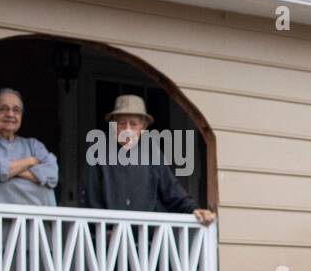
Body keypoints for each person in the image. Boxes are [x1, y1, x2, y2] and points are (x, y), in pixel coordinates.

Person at [84, 94, 215, 225]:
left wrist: (193, 209)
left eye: (133, 124)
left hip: (148, 235)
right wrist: (105, 231)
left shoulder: (152, 153)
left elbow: (172, 191)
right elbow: (92, 199)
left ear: (143, 127)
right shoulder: (99, 153)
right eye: (122, 123)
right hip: (110, 235)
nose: (127, 129)